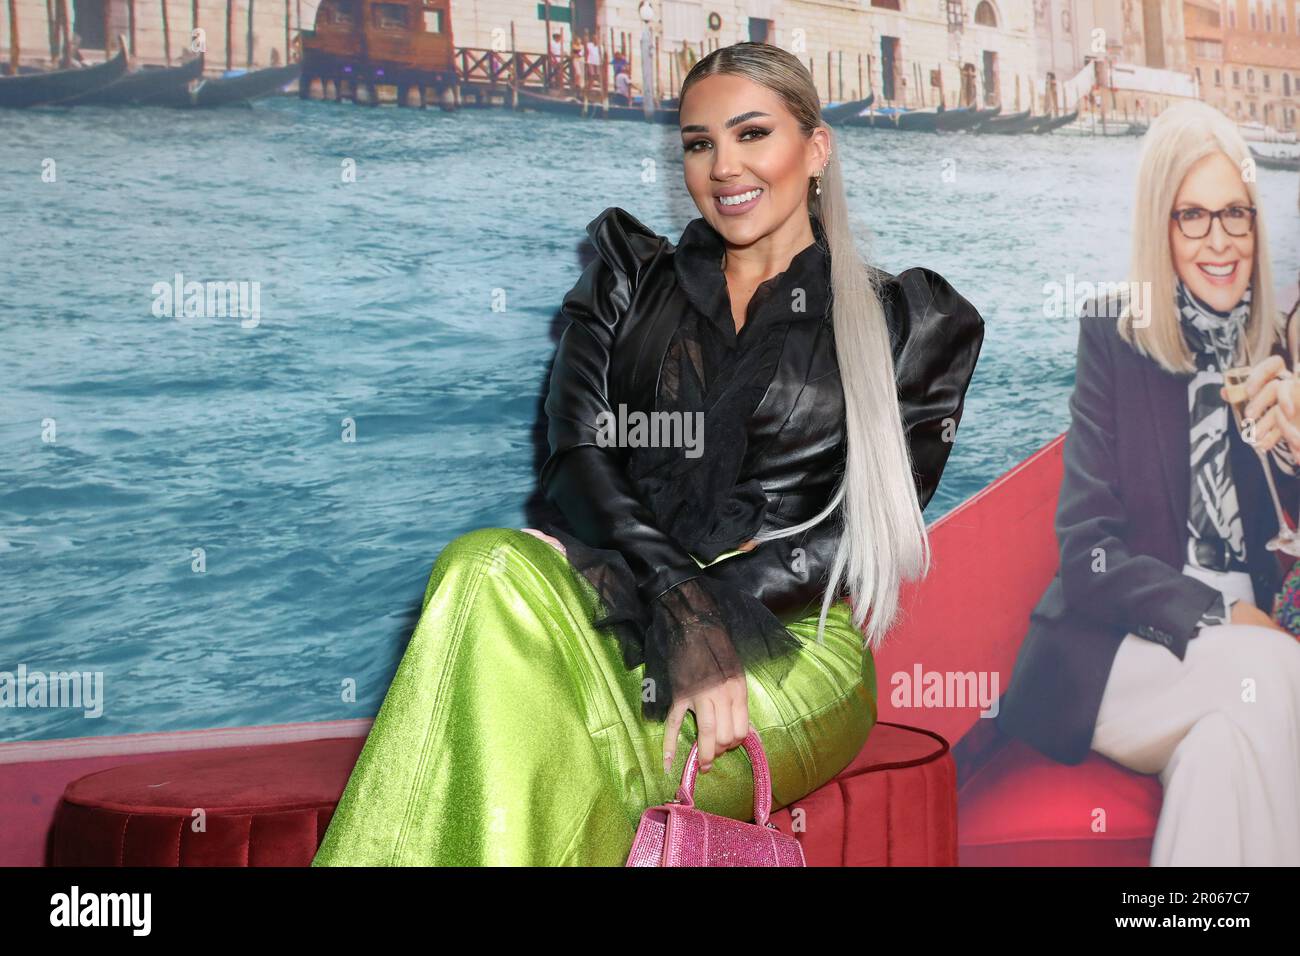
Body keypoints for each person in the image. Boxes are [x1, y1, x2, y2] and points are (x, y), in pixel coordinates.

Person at [312, 41, 983, 866]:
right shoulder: (628, 279)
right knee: (483, 566)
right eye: (699, 143)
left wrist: (709, 619)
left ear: (816, 148)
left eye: (752, 134)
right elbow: (578, 459)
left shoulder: (907, 320)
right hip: (625, 599)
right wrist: (675, 606)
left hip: (793, 643)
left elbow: (857, 534)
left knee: (562, 749)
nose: (723, 166)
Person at [998, 100, 1300, 865]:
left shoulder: (1280, 347)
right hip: (1119, 652)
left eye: (1235, 213)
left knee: (1222, 754)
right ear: (1158, 228)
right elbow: (1087, 555)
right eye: (1191, 216)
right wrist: (1221, 615)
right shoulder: (1112, 335)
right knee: (1275, 672)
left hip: (1244, 662)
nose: (1220, 241)